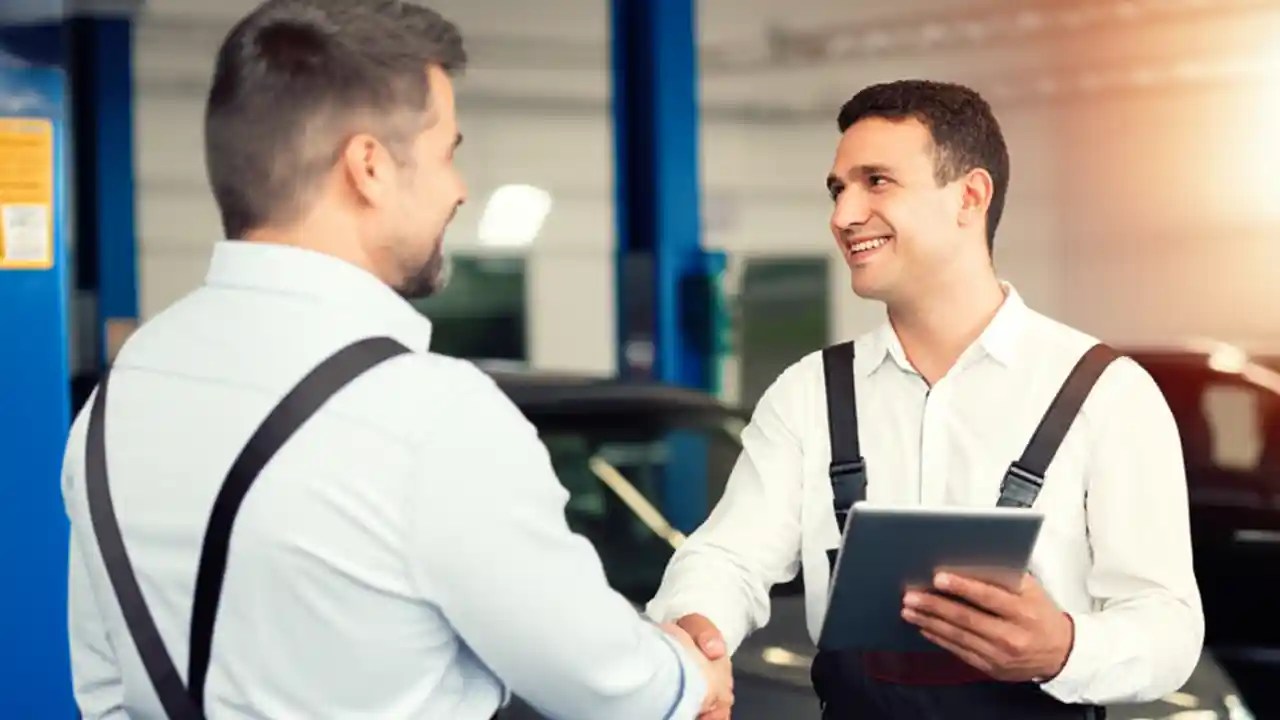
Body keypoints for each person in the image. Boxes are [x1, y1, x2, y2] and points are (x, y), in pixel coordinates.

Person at [59, 1, 731, 718]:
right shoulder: (429, 417)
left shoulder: (118, 399)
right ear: (370, 167)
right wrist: (689, 673)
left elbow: (103, 691)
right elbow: (616, 690)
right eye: (447, 151)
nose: (458, 187)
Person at [645, 79, 1204, 719]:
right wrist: (700, 633)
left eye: (876, 181)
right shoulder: (809, 395)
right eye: (838, 189)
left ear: (970, 195)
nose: (843, 215)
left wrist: (1064, 647)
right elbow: (728, 558)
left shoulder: (1104, 392)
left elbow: (1169, 626)